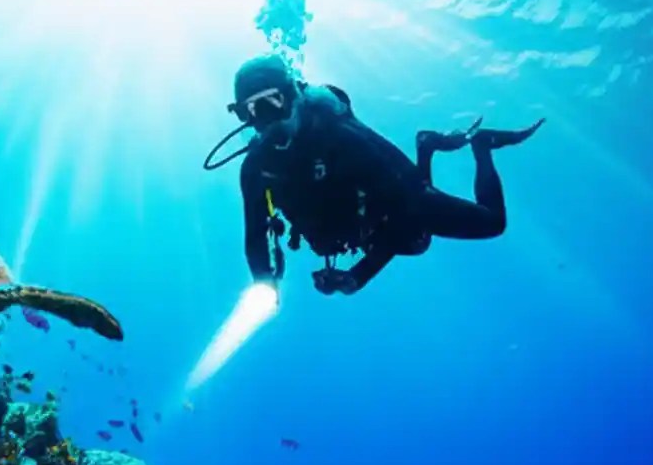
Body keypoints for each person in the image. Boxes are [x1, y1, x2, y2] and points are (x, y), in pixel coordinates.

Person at [203, 54, 543, 296]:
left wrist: (359, 275)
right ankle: (426, 145)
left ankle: (481, 145)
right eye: (249, 111)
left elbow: (406, 211)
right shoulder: (256, 168)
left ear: (292, 96)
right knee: (414, 240)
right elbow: (255, 237)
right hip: (363, 220)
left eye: (271, 103)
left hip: (397, 196)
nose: (264, 120)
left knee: (479, 226)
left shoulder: (341, 137)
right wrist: (265, 283)